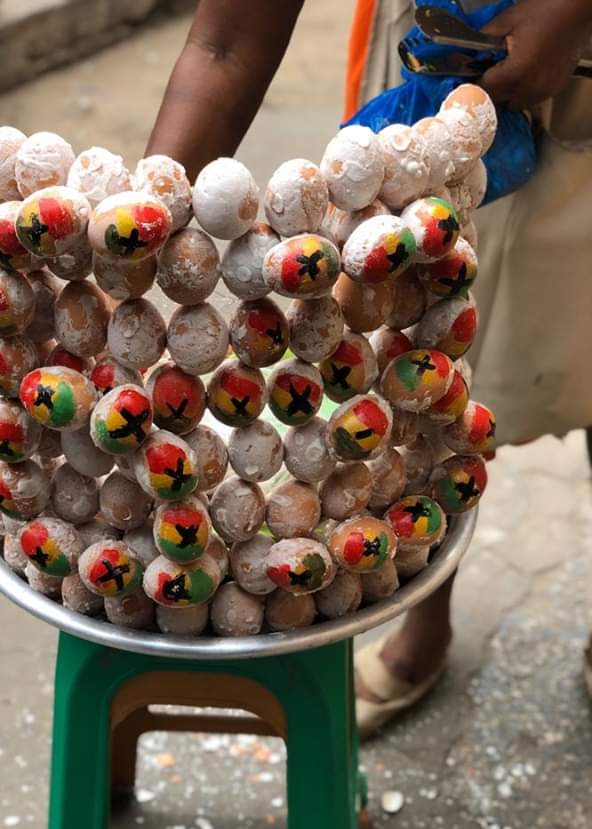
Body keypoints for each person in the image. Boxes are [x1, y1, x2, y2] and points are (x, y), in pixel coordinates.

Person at [145, 0, 592, 735]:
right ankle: (420, 613)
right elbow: (226, 41)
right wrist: (142, 219)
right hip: (433, 57)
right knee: (411, 364)